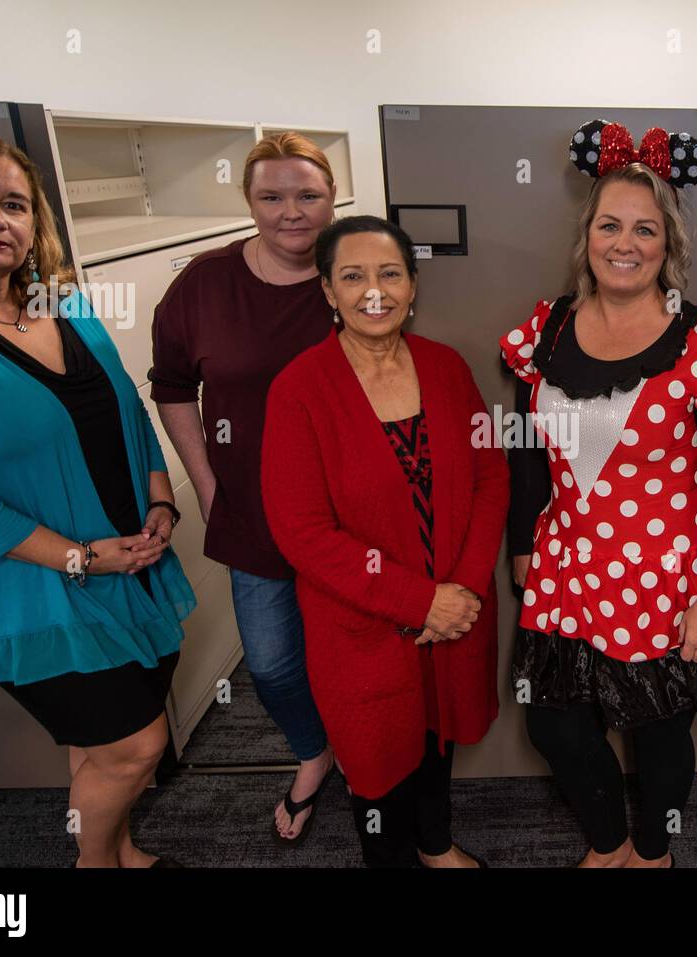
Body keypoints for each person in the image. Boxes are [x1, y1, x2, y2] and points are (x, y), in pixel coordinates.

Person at [0, 132, 194, 867]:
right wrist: (81, 557)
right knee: (135, 746)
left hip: (129, 563)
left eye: (14, 203)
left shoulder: (64, 300)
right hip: (28, 586)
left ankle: (117, 850)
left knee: (97, 746)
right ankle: (94, 863)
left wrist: (160, 501)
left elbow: (128, 409)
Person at [502, 121, 697, 869]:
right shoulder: (547, 328)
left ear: (669, 244)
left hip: (670, 577)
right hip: (568, 566)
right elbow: (529, 444)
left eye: (644, 229)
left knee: (657, 730)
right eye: (610, 224)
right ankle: (608, 842)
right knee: (554, 722)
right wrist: (524, 543)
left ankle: (652, 852)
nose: (625, 242)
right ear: (587, 233)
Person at [262, 215, 508, 868]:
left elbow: (490, 473)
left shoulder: (447, 368)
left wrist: (463, 588)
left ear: (413, 284)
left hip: (455, 612)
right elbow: (302, 531)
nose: (374, 290)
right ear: (327, 291)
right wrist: (417, 601)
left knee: (437, 737)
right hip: (362, 626)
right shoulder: (299, 391)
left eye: (390, 273)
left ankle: (435, 842)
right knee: (376, 767)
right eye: (353, 276)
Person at [149, 132, 337, 845]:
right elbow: (171, 386)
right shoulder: (204, 282)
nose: (292, 211)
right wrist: (204, 481)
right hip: (254, 514)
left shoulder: (354, 271)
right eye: (272, 196)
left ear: (331, 198)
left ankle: (373, 759)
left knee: (360, 649)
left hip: (354, 515)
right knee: (273, 662)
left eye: (308, 194)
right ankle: (314, 751)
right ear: (250, 201)